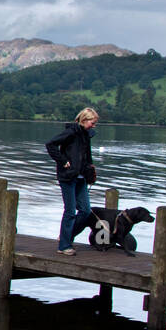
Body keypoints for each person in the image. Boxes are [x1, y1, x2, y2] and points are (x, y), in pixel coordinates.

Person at [46, 108, 100, 255]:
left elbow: (87, 156)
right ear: (84, 120)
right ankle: (64, 246)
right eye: (92, 122)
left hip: (81, 177)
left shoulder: (86, 134)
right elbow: (50, 144)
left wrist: (90, 170)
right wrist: (63, 161)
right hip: (68, 177)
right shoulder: (71, 132)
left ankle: (66, 237)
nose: (94, 125)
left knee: (85, 211)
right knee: (70, 211)